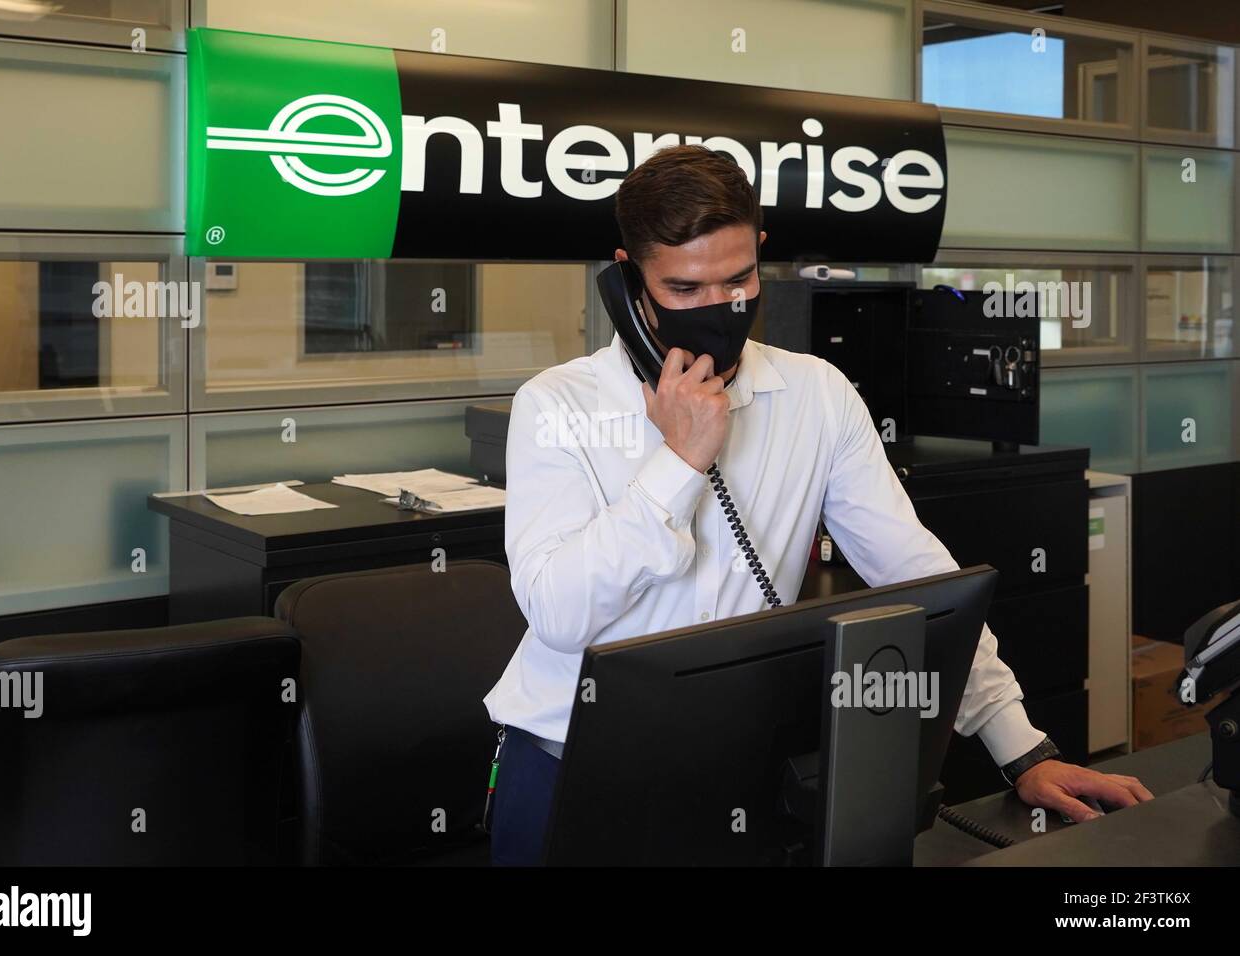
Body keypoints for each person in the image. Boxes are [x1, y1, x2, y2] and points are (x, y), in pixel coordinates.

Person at [482, 144, 1151, 866]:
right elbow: (558, 613)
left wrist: (1021, 748)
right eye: (684, 290)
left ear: (760, 254)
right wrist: (678, 462)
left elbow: (920, 579)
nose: (718, 310)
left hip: (737, 769)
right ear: (626, 277)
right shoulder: (558, 403)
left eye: (738, 281)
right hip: (567, 763)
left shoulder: (816, 393)